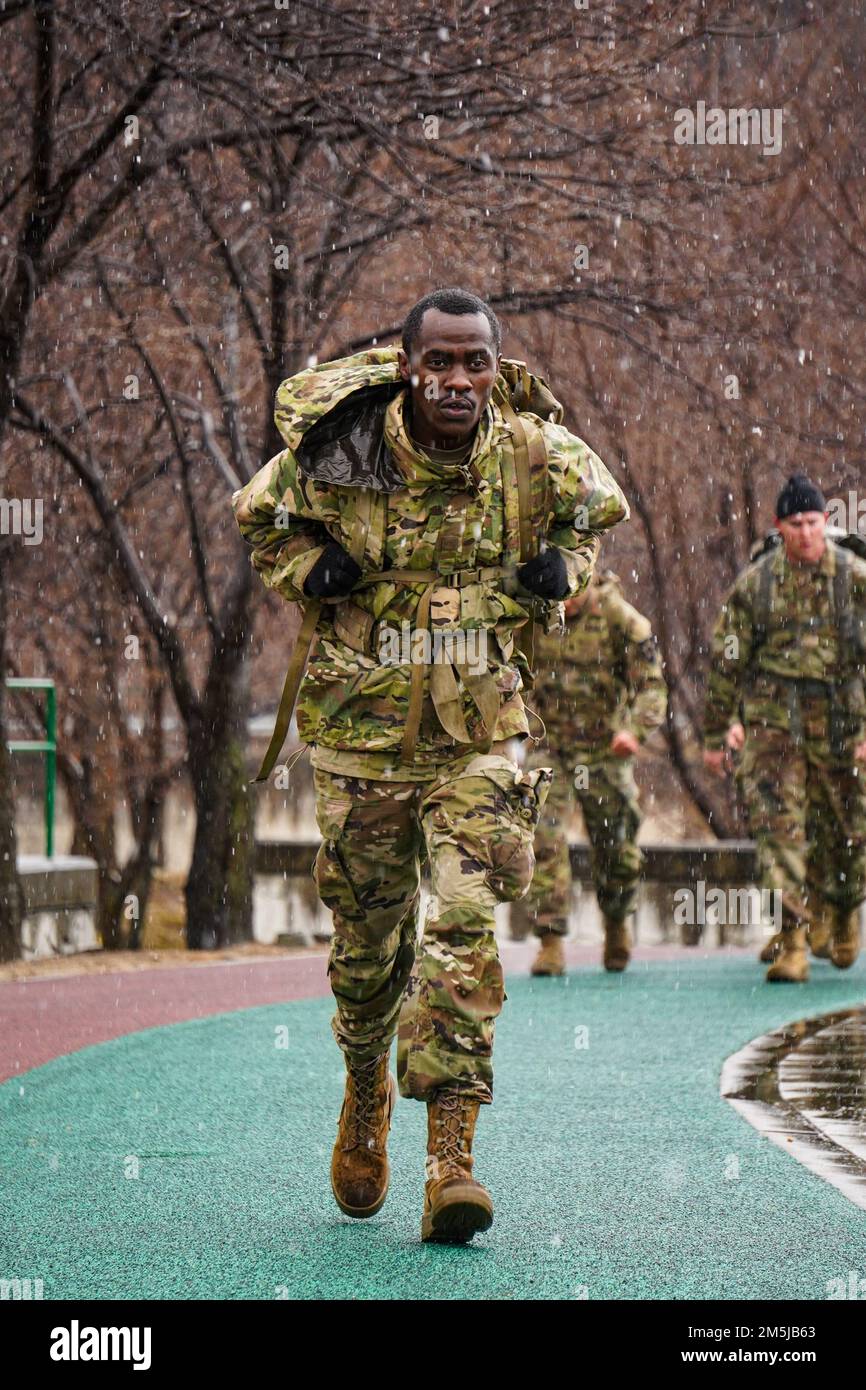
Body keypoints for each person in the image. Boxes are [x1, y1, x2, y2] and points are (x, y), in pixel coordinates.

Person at [232, 288, 628, 1242]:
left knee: (459, 932)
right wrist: (306, 569)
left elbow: (601, 513)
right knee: (368, 955)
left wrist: (562, 571)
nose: (457, 380)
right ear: (407, 365)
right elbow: (259, 518)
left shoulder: (536, 456)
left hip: (481, 731)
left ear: (496, 369)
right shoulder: (342, 454)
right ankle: (365, 1085)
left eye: (476, 363)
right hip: (361, 732)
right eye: (440, 362)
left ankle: (452, 1157)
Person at [703, 474, 866, 983]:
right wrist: (717, 730)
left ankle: (841, 911)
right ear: (779, 527)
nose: (804, 533)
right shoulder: (758, 584)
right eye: (794, 524)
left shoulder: (854, 579)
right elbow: (727, 658)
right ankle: (792, 939)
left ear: (827, 523)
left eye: (813, 523)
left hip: (842, 719)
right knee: (780, 831)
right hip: (775, 723)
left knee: (848, 830)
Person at [512, 568, 666, 975]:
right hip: (550, 748)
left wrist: (633, 731)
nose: (562, 602)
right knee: (541, 834)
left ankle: (616, 922)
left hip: (603, 748)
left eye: (568, 593)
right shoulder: (533, 614)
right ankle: (550, 939)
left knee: (614, 842)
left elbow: (652, 687)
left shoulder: (621, 620)